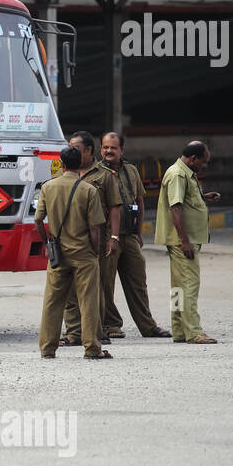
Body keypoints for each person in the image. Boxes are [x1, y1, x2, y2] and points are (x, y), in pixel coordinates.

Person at [35, 145, 110, 359]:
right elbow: (96, 227)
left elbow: (39, 220)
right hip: (84, 253)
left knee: (53, 301)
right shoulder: (89, 190)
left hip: (58, 252)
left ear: (63, 164)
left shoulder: (48, 187)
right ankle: (92, 348)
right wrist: (96, 251)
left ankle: (47, 348)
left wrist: (48, 242)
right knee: (88, 302)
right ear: (80, 165)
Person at [99, 132, 170, 339]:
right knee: (105, 283)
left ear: (122, 150)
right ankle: (110, 324)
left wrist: (139, 233)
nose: (109, 151)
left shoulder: (131, 171)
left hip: (129, 234)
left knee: (138, 282)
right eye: (105, 148)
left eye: (113, 148)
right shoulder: (97, 173)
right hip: (107, 235)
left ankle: (148, 326)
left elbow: (139, 202)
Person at [155, 141, 221, 344]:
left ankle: (179, 330)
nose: (204, 165)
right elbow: (175, 208)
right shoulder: (178, 174)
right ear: (193, 159)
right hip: (184, 241)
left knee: (178, 288)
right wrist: (185, 241)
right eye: (204, 161)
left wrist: (202, 198)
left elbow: (184, 200)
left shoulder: (184, 173)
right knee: (190, 285)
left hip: (182, 240)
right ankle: (194, 331)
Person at [61, 131, 121, 349]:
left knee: (97, 288)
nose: (71, 152)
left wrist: (113, 237)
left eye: (75, 148)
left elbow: (115, 207)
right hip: (71, 238)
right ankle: (74, 332)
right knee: (70, 290)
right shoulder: (63, 174)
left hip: (98, 238)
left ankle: (99, 330)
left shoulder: (104, 175)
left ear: (88, 150)